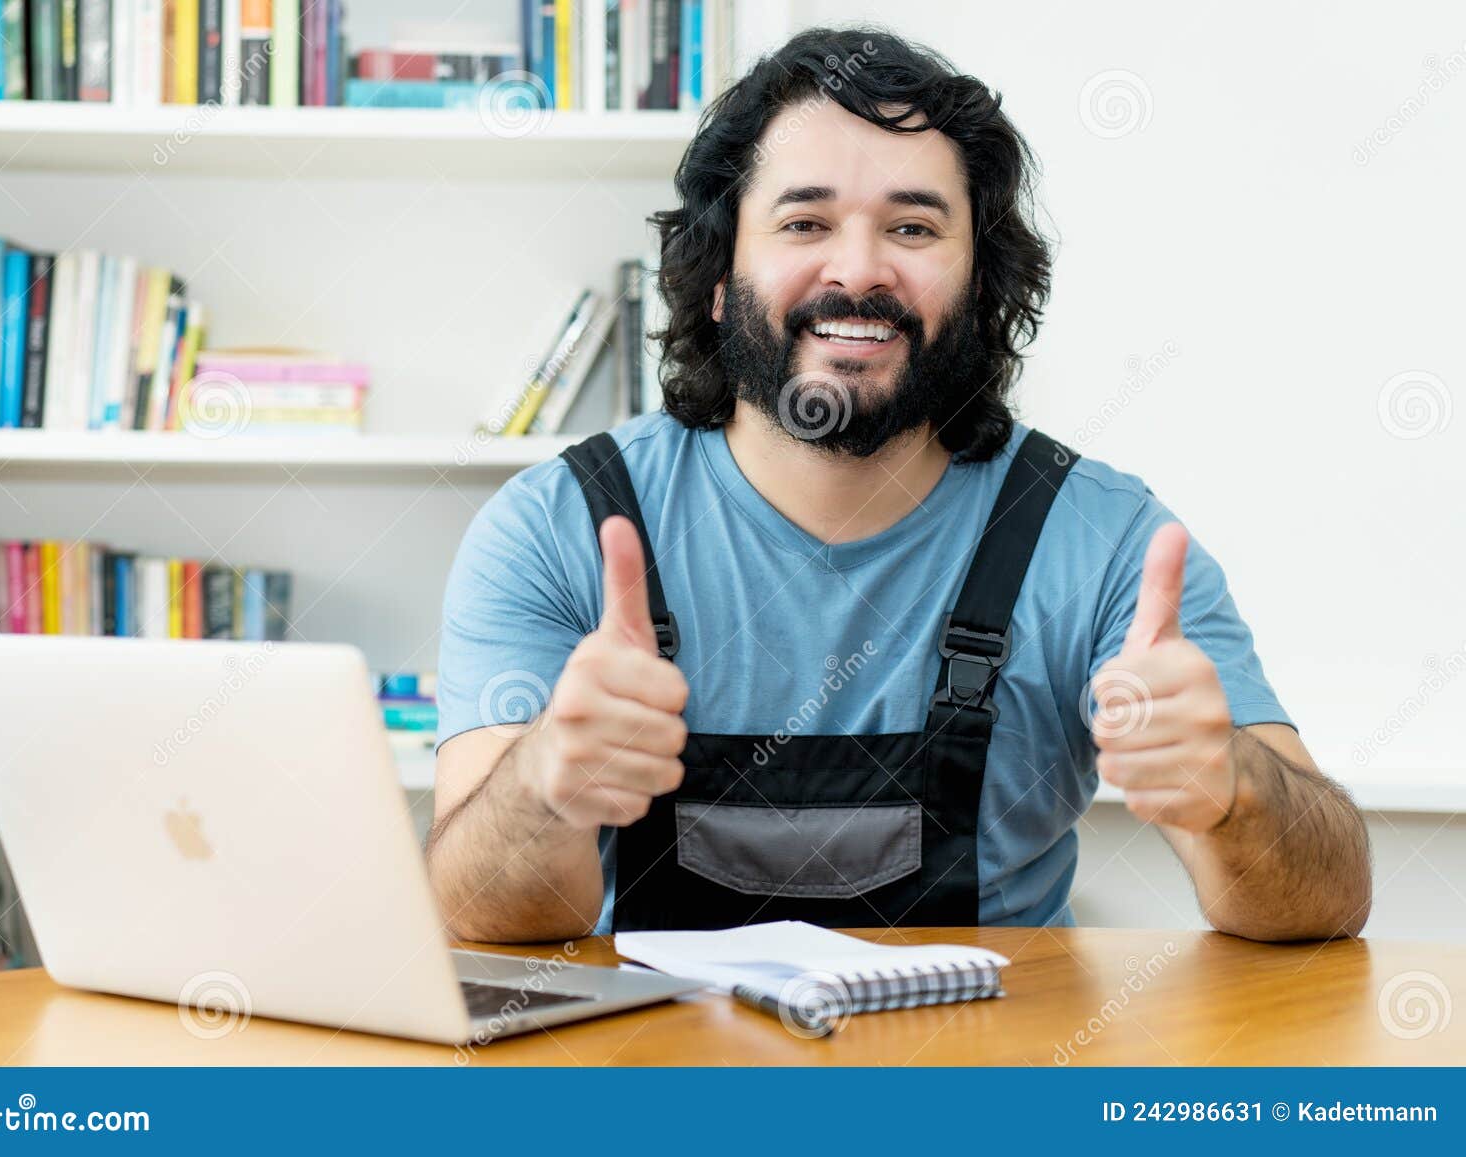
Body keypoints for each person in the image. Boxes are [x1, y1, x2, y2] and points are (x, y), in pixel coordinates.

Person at [425, 26, 1372, 943]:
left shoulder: (1109, 541)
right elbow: (484, 917)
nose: (859, 270)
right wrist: (547, 777)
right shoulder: (556, 526)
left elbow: (1324, 905)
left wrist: (1234, 787)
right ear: (718, 278)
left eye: (913, 227)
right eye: (805, 221)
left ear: (982, 285)